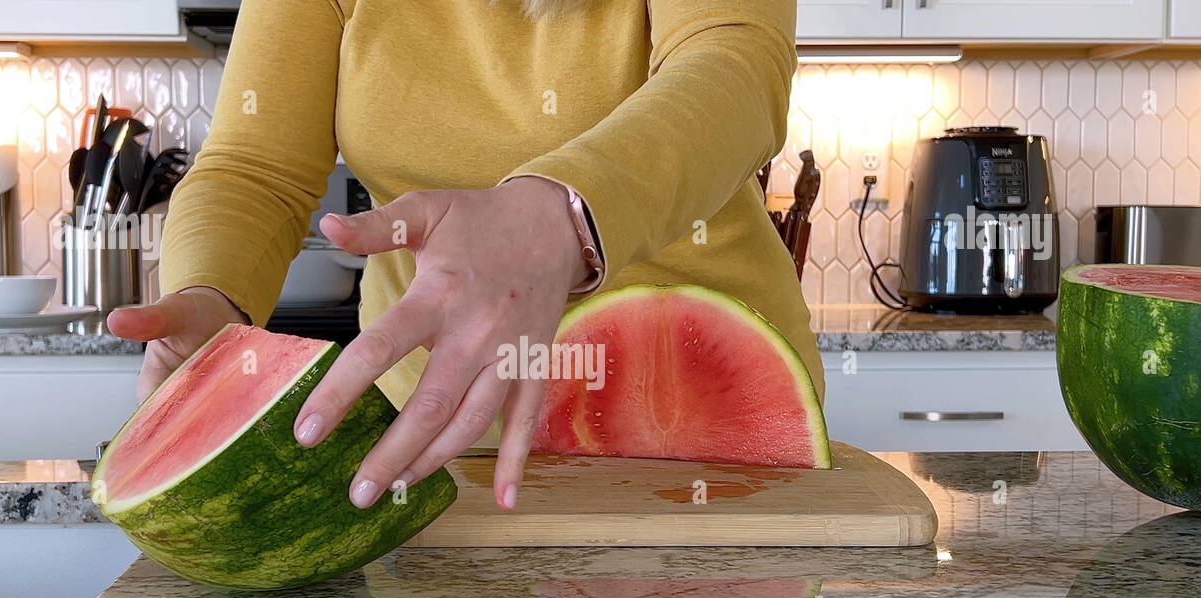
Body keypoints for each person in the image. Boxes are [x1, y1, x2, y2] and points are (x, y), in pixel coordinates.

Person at [108, 0, 819, 513]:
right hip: (439, 435)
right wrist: (212, 291)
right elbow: (254, 168)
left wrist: (558, 216)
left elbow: (735, 61)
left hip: (702, 420)